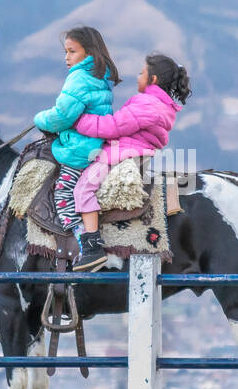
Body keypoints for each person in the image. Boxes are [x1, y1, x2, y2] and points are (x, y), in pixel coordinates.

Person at [70, 52, 191, 270]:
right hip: (132, 152)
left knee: (83, 189)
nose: (137, 76)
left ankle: (92, 247)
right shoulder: (159, 105)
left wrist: (77, 120)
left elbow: (112, 126)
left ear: (152, 79)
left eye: (141, 72)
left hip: (121, 155)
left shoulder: (146, 104)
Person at [31, 26, 120, 239]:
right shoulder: (100, 76)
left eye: (72, 51)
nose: (66, 58)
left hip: (79, 148)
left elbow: (63, 115)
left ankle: (82, 239)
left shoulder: (79, 77)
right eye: (65, 52)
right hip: (95, 144)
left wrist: (39, 119)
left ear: (88, 53)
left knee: (63, 191)